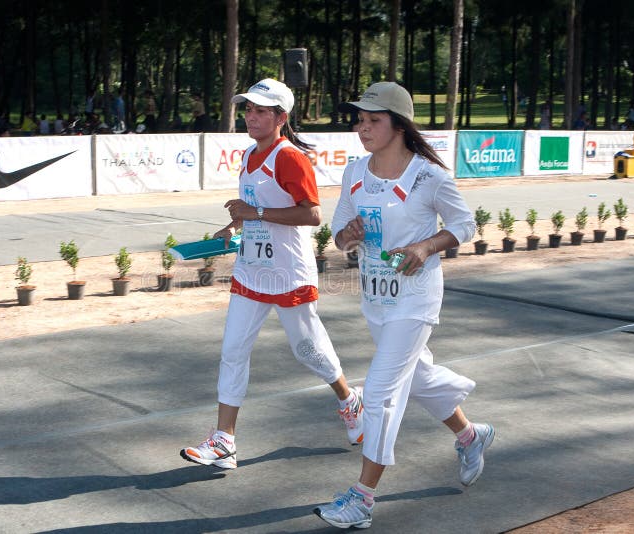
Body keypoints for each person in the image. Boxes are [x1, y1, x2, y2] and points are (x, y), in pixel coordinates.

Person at [313, 82, 494, 529]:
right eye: (359, 119)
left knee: (379, 392)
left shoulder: (429, 176)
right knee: (418, 377)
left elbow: (465, 224)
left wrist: (428, 245)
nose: (362, 127)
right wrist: (347, 237)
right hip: (376, 298)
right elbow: (337, 233)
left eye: (373, 120)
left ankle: (362, 499)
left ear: (399, 125)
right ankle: (471, 436)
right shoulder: (355, 172)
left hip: (416, 298)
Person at [180, 78, 364, 470]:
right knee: (233, 350)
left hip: (288, 272)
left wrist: (254, 214)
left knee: (308, 350)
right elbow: (251, 208)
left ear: (281, 117)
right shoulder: (248, 155)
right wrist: (233, 228)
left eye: (261, 110)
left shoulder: (289, 157)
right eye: (248, 109)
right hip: (251, 270)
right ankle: (224, 440)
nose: (251, 116)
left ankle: (349, 400)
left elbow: (312, 215)